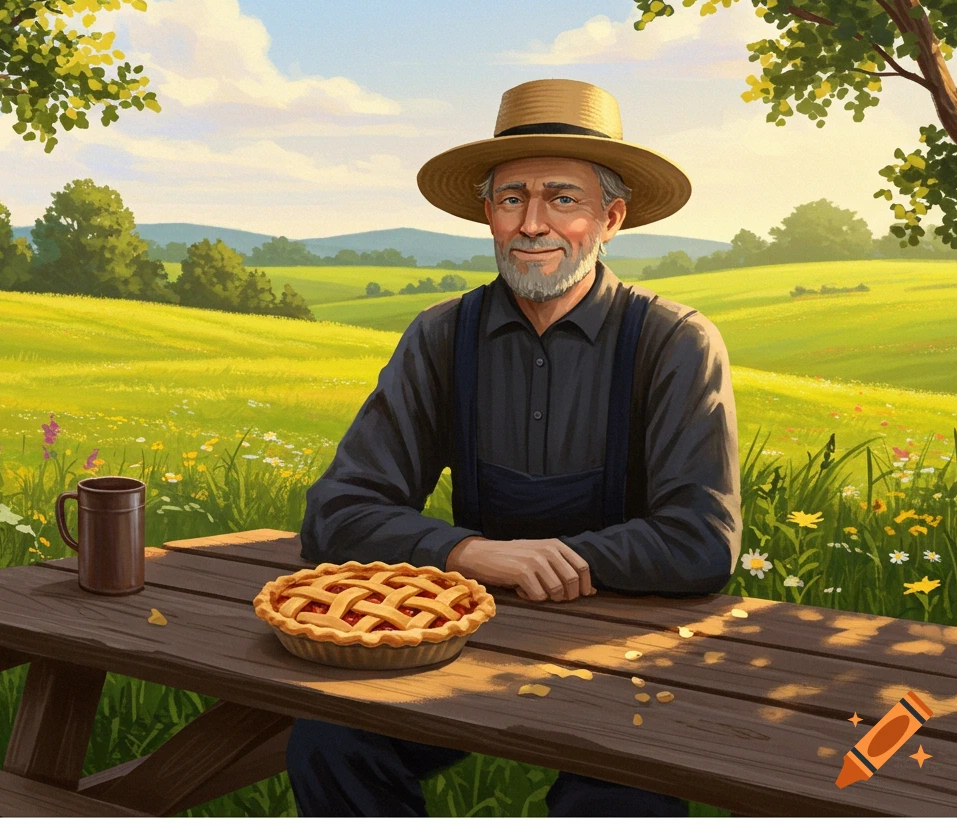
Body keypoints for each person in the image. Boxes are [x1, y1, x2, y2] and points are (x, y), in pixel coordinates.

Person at [286, 78, 743, 816]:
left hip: (628, 656)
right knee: (331, 739)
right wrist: (471, 553)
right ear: (487, 214)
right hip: (460, 640)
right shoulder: (441, 336)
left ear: (611, 217)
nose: (533, 223)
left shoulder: (673, 341)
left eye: (563, 198)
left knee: (621, 792)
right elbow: (336, 513)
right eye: (511, 199)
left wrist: (560, 560)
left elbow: (701, 541)